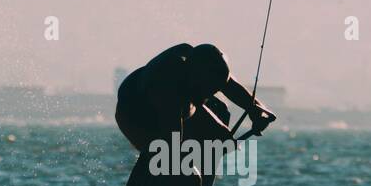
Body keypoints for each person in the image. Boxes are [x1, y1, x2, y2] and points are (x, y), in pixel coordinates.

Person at [115, 43, 276, 155]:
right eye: (207, 91)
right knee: (185, 176)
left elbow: (230, 87)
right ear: (195, 78)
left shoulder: (202, 66)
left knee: (221, 121)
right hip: (134, 116)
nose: (209, 95)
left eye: (214, 90)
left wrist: (256, 109)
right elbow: (171, 146)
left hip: (178, 102)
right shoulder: (168, 89)